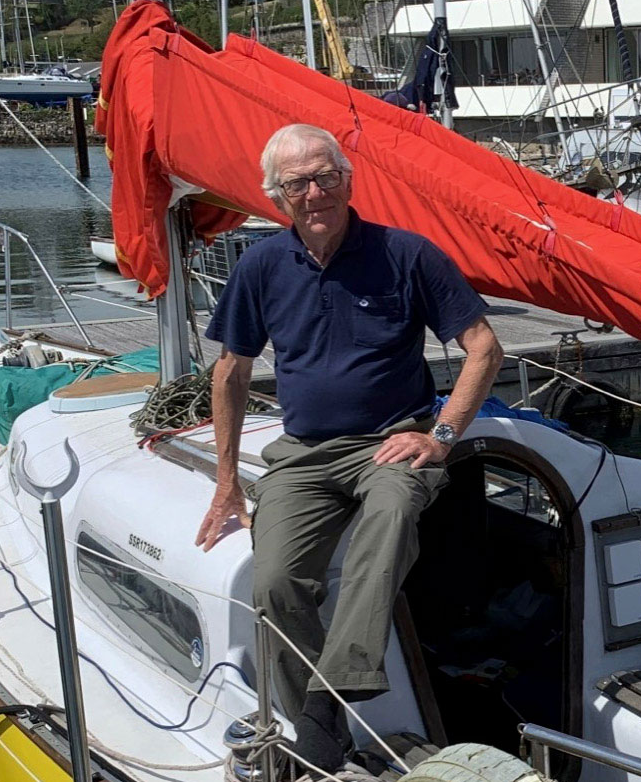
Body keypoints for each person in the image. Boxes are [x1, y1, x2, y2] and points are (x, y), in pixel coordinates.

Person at [199, 124, 503, 773]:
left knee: (391, 517)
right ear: (277, 197)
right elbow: (231, 370)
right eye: (297, 183)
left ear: (348, 180)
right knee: (275, 582)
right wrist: (227, 481)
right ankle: (322, 707)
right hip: (302, 451)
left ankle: (322, 708)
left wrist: (441, 435)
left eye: (324, 176)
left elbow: (482, 346)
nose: (314, 192)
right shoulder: (259, 266)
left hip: (390, 439)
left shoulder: (405, 254)